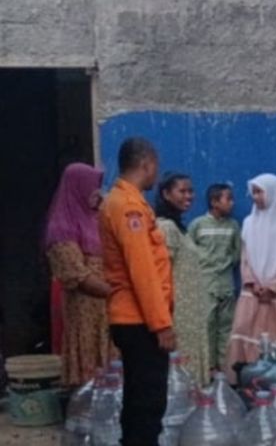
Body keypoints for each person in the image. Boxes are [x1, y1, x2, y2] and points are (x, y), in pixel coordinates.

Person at [99, 137, 175, 446]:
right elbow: (142, 271)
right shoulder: (129, 207)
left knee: (137, 400)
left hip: (133, 318)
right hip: (139, 320)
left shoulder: (123, 201)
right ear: (147, 163)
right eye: (156, 165)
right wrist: (161, 324)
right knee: (148, 403)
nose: (156, 172)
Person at [44, 162, 114, 387]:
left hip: (109, 308)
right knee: (90, 364)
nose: (97, 192)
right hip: (86, 309)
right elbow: (77, 275)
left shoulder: (97, 219)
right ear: (78, 188)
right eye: (92, 186)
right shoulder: (61, 228)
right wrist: (115, 293)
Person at [227, 173, 276, 366]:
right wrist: (252, 283)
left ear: (273, 193)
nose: (255, 197)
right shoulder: (249, 224)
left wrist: (272, 287)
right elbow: (245, 258)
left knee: (275, 340)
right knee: (245, 330)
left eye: (260, 192)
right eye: (254, 192)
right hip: (252, 292)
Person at [154, 172, 212, 381]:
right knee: (184, 372)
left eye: (191, 191)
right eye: (182, 191)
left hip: (190, 313)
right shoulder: (166, 227)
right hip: (179, 314)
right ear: (166, 194)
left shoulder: (178, 227)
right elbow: (161, 273)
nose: (189, 196)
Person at [189, 182, 241, 373]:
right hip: (205, 285)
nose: (232, 203)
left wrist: (225, 265)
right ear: (214, 202)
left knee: (226, 327)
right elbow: (189, 252)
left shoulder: (233, 226)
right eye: (228, 199)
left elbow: (237, 253)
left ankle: (224, 369)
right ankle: (208, 367)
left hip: (226, 284)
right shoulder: (198, 225)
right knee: (206, 325)